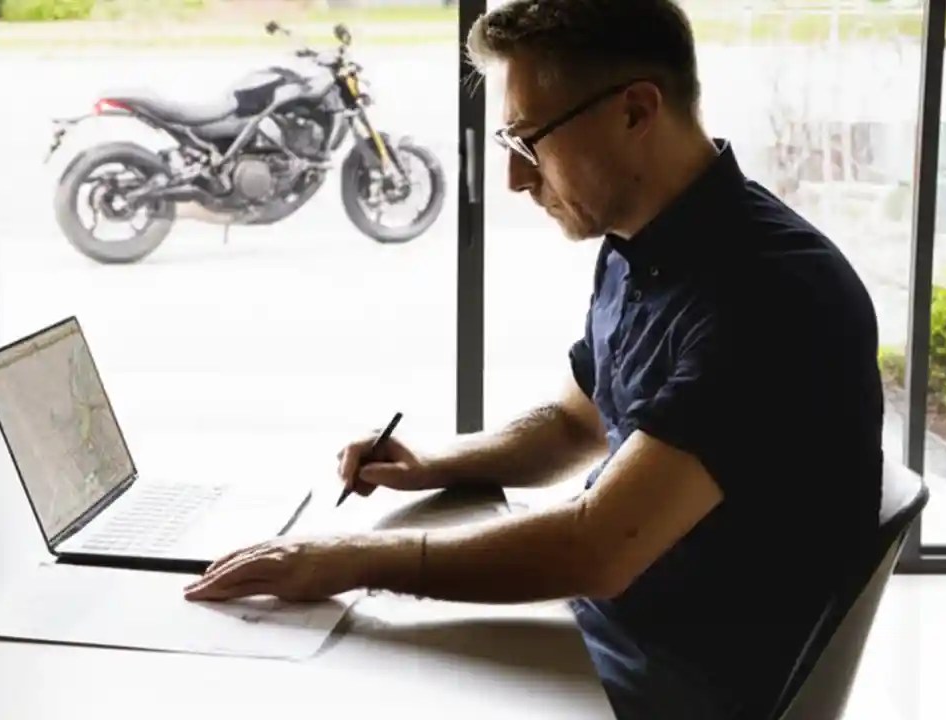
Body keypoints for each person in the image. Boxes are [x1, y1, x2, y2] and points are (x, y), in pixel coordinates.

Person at [183, 1, 885, 717]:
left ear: (636, 111)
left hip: (671, 682)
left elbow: (595, 549)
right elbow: (571, 422)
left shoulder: (772, 296)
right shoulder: (641, 243)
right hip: (601, 634)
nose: (517, 181)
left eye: (528, 141)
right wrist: (434, 463)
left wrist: (355, 559)